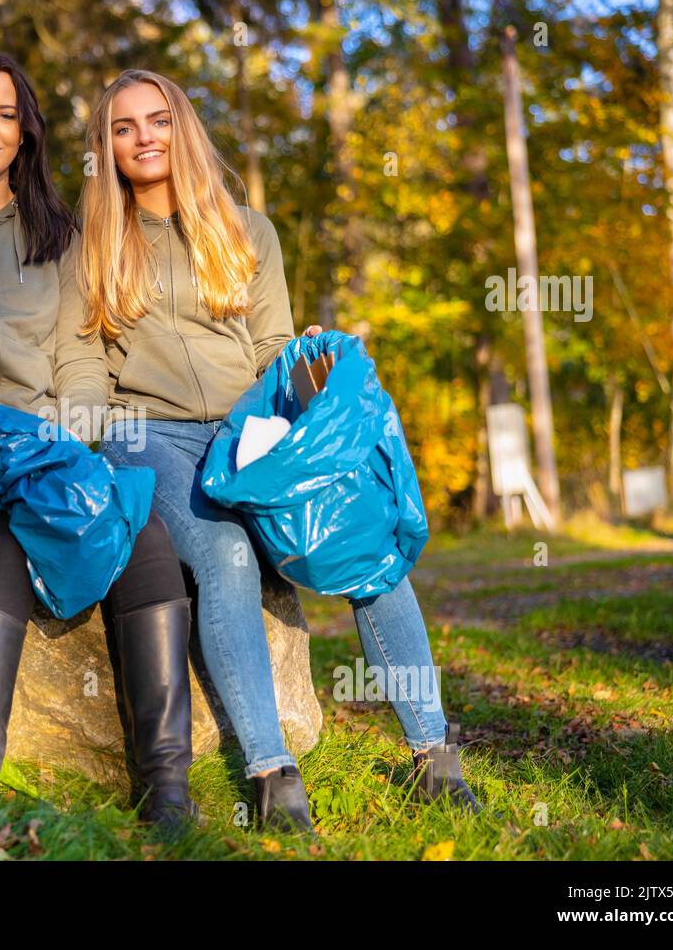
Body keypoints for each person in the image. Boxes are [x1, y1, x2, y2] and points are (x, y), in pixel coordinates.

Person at [74, 69, 482, 832]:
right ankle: (272, 775)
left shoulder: (247, 229)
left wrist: (311, 388)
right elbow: (86, 373)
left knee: (361, 540)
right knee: (226, 556)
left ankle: (434, 756)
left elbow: (270, 352)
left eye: (157, 120)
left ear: (182, 126)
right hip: (147, 435)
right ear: (106, 146)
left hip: (244, 433)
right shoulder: (90, 245)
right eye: (123, 127)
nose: (143, 138)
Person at [0, 50, 197, 829]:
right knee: (1, 548)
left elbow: (82, 361)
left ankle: (168, 794)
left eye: (5, 113)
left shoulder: (58, 235)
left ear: (26, 130)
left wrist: (60, 437)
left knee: (146, 539)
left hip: (48, 453)